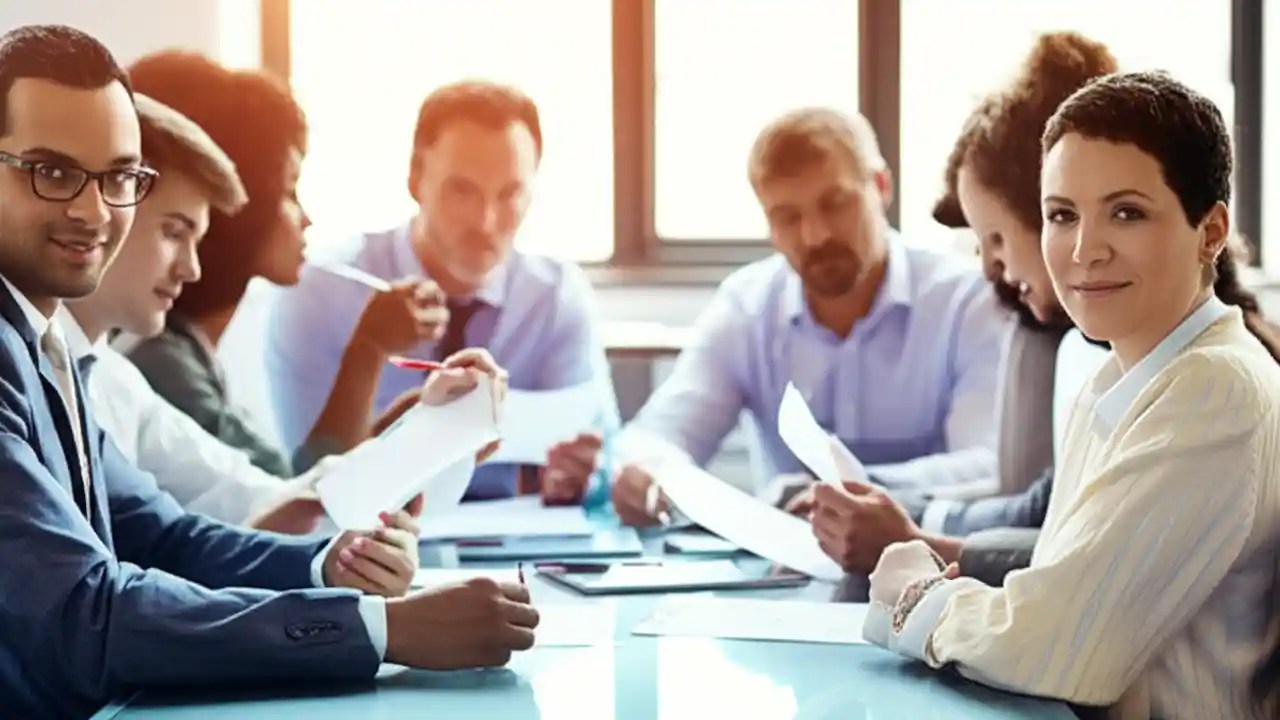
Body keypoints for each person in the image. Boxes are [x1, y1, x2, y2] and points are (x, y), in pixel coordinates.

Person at [0, 25, 537, 719]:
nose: (94, 210)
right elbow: (88, 617)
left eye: (120, 178)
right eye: (52, 171)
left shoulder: (52, 350)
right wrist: (383, 629)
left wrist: (326, 569)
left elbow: (163, 536)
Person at [864, 71, 1280, 720]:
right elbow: (1058, 596)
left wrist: (915, 600)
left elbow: (1054, 643)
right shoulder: (1115, 381)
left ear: (1210, 230)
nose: (1085, 251)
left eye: (1127, 212)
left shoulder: (1216, 389)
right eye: (1062, 215)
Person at [611, 107, 1013, 528]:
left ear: (881, 186)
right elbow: (657, 435)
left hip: (936, 561)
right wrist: (652, 474)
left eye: (835, 204)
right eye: (788, 217)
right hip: (792, 571)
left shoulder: (965, 301)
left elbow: (990, 464)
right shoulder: (747, 308)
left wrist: (852, 490)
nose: (815, 235)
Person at [809, 32, 1117, 578]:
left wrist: (915, 541)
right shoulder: (1093, 353)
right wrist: (909, 515)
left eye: (995, 239)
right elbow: (1042, 508)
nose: (990, 271)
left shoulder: (1163, 373)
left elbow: (1089, 565)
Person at [59, 92, 428, 539]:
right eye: (173, 232)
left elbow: (261, 497)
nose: (190, 268)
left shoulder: (115, 380)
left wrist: (425, 434)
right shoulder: (138, 365)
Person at [265, 80, 619, 502]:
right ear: (415, 177)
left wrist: (581, 474)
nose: (486, 221)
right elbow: (307, 477)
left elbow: (604, 453)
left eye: (510, 194)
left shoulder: (556, 296)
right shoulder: (323, 289)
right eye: (462, 191)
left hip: (518, 546)